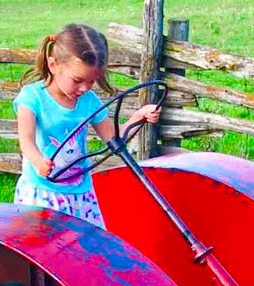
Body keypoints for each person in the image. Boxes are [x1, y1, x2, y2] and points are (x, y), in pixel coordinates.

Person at [13, 23, 161, 228]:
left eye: (91, 81)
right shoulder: (32, 97)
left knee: (87, 243)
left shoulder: (89, 101)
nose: (84, 88)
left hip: (80, 193)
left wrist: (139, 116)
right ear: (53, 65)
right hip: (42, 191)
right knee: (45, 244)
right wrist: (38, 161)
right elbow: (26, 139)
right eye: (77, 80)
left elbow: (114, 139)